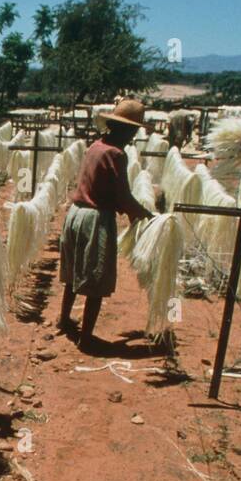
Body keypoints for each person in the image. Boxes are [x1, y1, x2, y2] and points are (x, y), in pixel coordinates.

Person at [58, 99, 155, 351]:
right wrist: (146, 215)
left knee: (72, 274)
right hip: (95, 219)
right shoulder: (116, 154)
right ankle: (86, 338)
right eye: (133, 130)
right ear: (127, 130)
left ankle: (63, 320)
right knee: (95, 281)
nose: (134, 134)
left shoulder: (96, 146)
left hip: (75, 214)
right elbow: (122, 196)